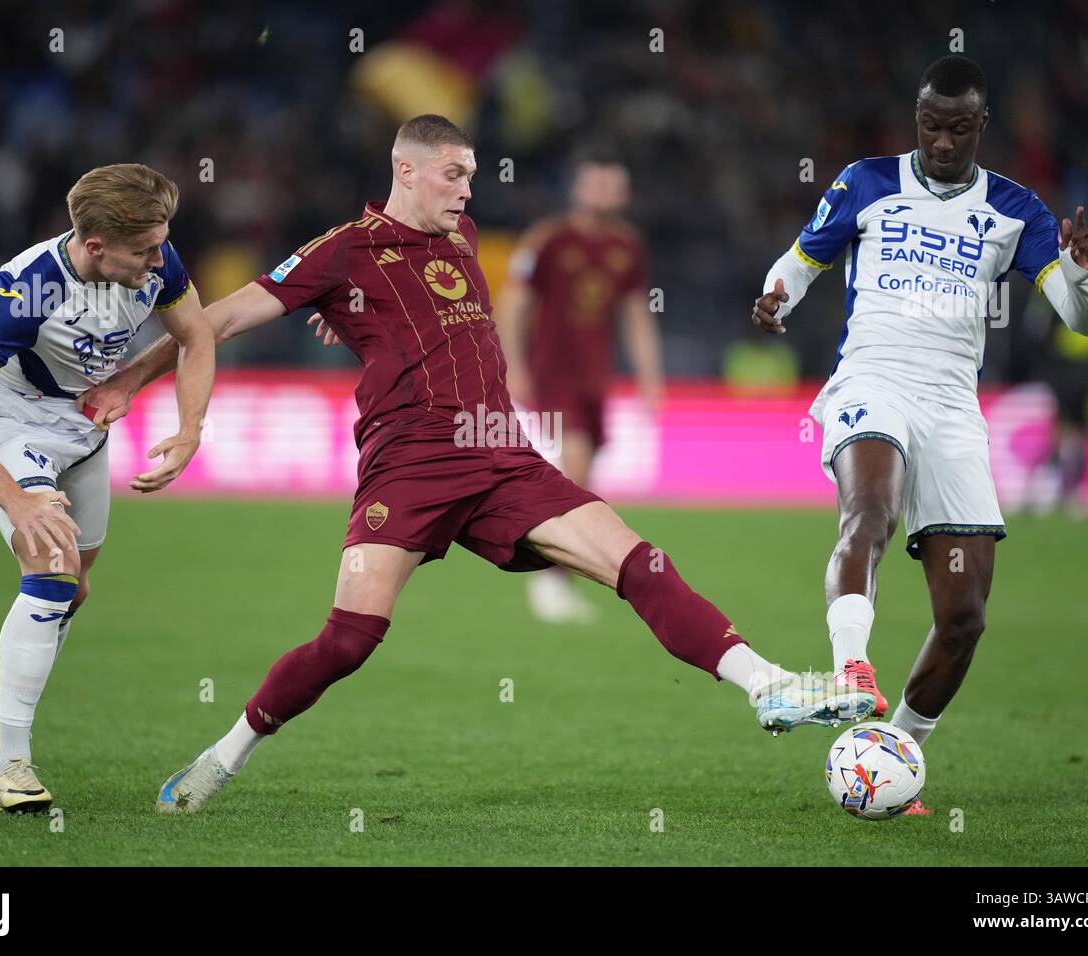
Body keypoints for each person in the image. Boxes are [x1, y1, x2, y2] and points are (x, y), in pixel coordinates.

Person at [82, 114, 874, 814]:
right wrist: (132, 383)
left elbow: (410, 318)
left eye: (473, 175)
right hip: (411, 461)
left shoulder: (458, 241)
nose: (468, 190)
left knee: (638, 558)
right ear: (406, 170)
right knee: (350, 640)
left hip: (500, 453)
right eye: (454, 175)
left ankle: (769, 686)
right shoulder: (343, 251)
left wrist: (354, 321)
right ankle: (225, 756)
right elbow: (211, 322)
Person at [752, 56, 1088, 812]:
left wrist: (1077, 281)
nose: (940, 142)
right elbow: (804, 258)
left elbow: (1079, 320)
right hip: (872, 378)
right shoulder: (866, 182)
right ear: (917, 120)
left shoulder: (1017, 211)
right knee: (869, 511)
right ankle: (851, 671)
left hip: (953, 405)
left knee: (965, 616)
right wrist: (776, 297)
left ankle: (896, 751)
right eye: (929, 125)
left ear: (981, 126)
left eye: (956, 128)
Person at [0, 164, 215, 813]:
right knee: (50, 569)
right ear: (95, 247)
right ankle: (11, 769)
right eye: (145, 250)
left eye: (163, 241)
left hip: (83, 430)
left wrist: (184, 422)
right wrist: (16, 498)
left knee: (72, 589)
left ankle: (5, 701)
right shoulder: (27, 287)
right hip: (11, 424)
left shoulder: (154, 255)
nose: (159, 258)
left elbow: (196, 332)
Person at [496, 151, 663, 624]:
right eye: (597, 184)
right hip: (554, 372)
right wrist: (513, 364)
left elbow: (636, 315)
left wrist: (650, 377)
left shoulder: (627, 247)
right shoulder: (548, 240)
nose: (605, 194)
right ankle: (550, 580)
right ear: (578, 189)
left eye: (613, 186)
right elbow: (514, 300)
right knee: (574, 471)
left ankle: (551, 572)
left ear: (624, 194)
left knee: (582, 476)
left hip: (595, 377)